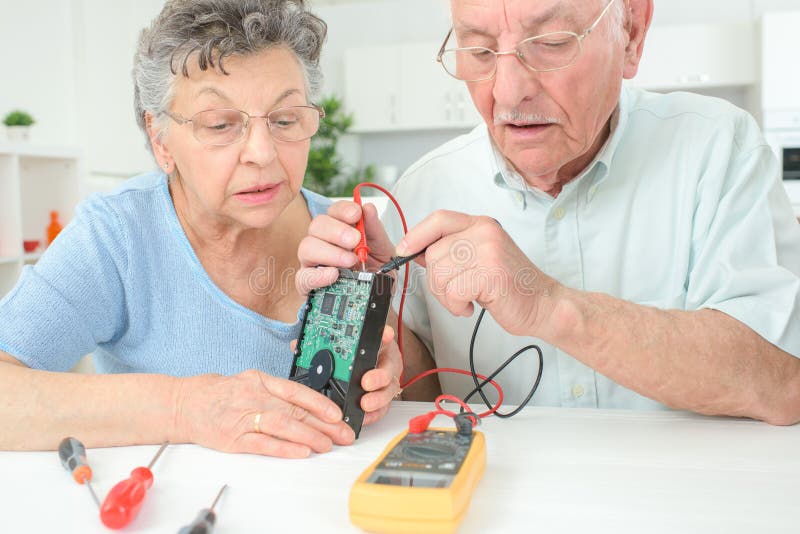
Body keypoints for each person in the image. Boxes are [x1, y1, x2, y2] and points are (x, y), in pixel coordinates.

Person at [298, 0, 800, 425]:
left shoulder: (719, 148)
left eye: (553, 43)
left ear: (631, 31)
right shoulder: (424, 190)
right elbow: (427, 394)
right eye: (478, 50)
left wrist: (548, 306)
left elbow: (782, 383)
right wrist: (374, 308)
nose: (508, 92)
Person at [0, 0, 402, 458]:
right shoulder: (117, 236)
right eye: (220, 124)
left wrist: (388, 355)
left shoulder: (345, 237)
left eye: (285, 119)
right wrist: (182, 408)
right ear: (160, 139)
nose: (262, 153)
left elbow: (424, 399)